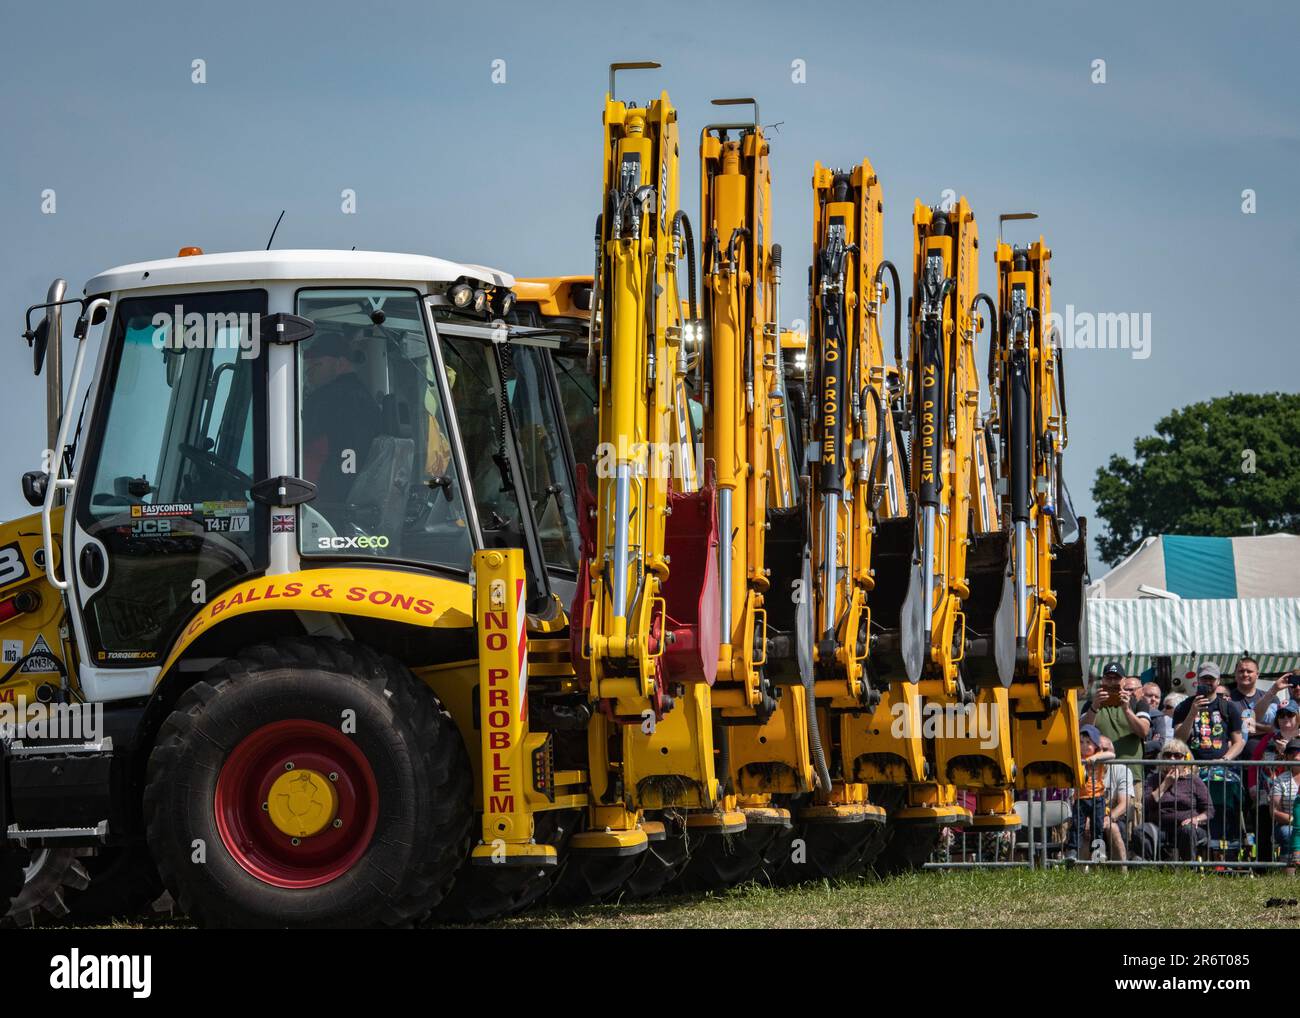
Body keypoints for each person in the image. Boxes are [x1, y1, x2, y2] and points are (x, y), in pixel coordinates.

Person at [301, 328, 384, 506]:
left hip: (323, 498)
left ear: (340, 364)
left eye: (317, 364)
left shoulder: (325, 398)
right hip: (354, 496)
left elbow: (299, 443)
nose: (309, 372)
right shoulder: (366, 400)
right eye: (308, 366)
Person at [1139, 738, 1213, 861]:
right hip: (1159, 827)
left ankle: (1187, 871)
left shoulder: (1194, 780)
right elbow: (1146, 803)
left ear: (1185, 759)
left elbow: (1209, 810)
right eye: (1168, 755)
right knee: (1142, 831)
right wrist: (1165, 784)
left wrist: (1196, 819)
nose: (1172, 759)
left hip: (1187, 828)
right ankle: (1149, 870)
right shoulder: (1154, 779)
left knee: (1187, 831)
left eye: (1177, 755)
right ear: (1162, 758)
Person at [1249, 701, 1300, 859]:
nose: (1285, 718)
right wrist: (1252, 785)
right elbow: (1254, 762)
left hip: (1294, 790)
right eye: (1281, 715)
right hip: (1268, 789)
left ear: (1297, 717)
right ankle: (1264, 866)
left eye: (1290, 714)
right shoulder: (1269, 738)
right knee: (1263, 822)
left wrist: (1286, 754)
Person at [1171, 662, 1245, 761]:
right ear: (1198, 680)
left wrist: (1224, 759)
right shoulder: (1184, 706)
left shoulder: (1228, 706)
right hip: (1191, 767)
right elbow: (1179, 739)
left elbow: (1238, 742)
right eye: (1204, 678)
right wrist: (1192, 713)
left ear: (1218, 681)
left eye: (1211, 678)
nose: (1207, 682)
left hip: (1219, 769)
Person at [1081, 662, 1151, 763]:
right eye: (1108, 678)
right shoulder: (1091, 704)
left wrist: (1127, 709)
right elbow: (1083, 731)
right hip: (1100, 769)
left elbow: (1144, 731)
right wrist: (1094, 707)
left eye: (1116, 678)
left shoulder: (1138, 703)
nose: (1112, 682)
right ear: (1103, 681)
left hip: (1131, 770)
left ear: (1124, 681)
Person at [1068, 724, 1115, 861]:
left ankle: (1097, 852)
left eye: (1088, 742)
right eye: (1081, 742)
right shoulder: (1077, 758)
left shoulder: (1098, 756)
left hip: (1097, 798)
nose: (1084, 746)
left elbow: (1112, 754)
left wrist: (1093, 758)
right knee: (1077, 826)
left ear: (1095, 745)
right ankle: (1072, 851)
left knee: (1097, 826)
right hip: (1080, 798)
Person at [1230, 657, 1286, 758]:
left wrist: (1247, 725)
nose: (1245, 674)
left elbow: (1277, 728)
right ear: (1235, 675)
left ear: (1257, 675)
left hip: (1268, 759)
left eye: (1249, 671)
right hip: (1238, 761)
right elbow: (1229, 730)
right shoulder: (1227, 699)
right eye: (1241, 671)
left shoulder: (1271, 698)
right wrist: (1265, 728)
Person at [1099, 735, 1133, 869]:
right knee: (1086, 829)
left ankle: (1121, 871)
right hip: (1089, 816)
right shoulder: (1085, 770)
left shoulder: (1121, 770)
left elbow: (1124, 803)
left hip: (1114, 817)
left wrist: (1109, 818)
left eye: (1105, 749)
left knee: (1113, 828)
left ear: (1113, 754)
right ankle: (1087, 873)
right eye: (1098, 749)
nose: (1101, 753)